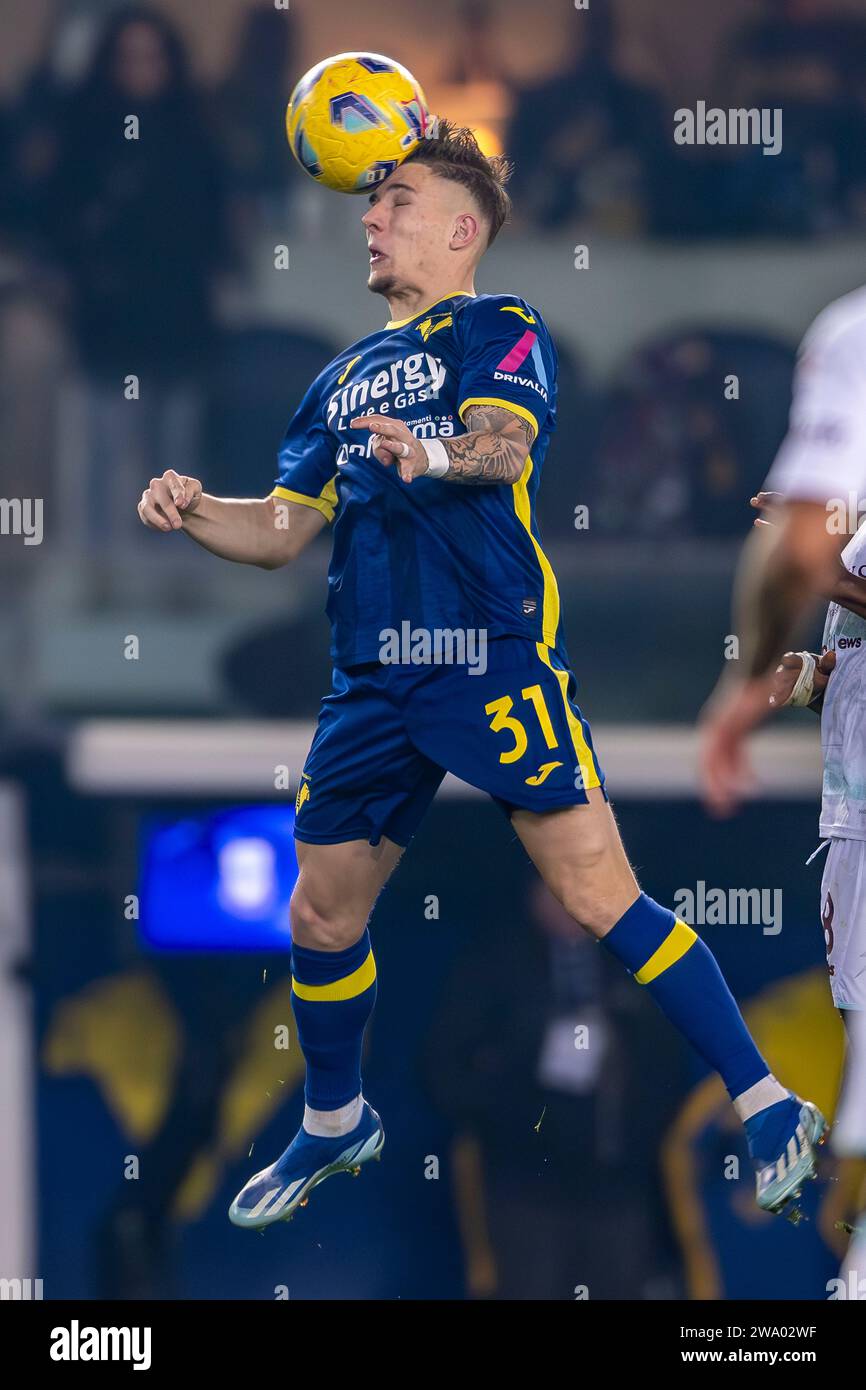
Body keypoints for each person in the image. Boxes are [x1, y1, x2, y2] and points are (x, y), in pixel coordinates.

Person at [137, 120, 824, 1231]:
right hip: (368, 677)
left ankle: (764, 1100)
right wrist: (191, 508)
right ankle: (332, 1119)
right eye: (371, 205)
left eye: (394, 202)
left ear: (460, 231)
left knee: (596, 893)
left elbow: (502, 444)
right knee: (318, 914)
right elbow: (275, 529)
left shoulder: (499, 326)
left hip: (485, 653)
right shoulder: (333, 379)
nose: (370, 216)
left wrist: (434, 451)